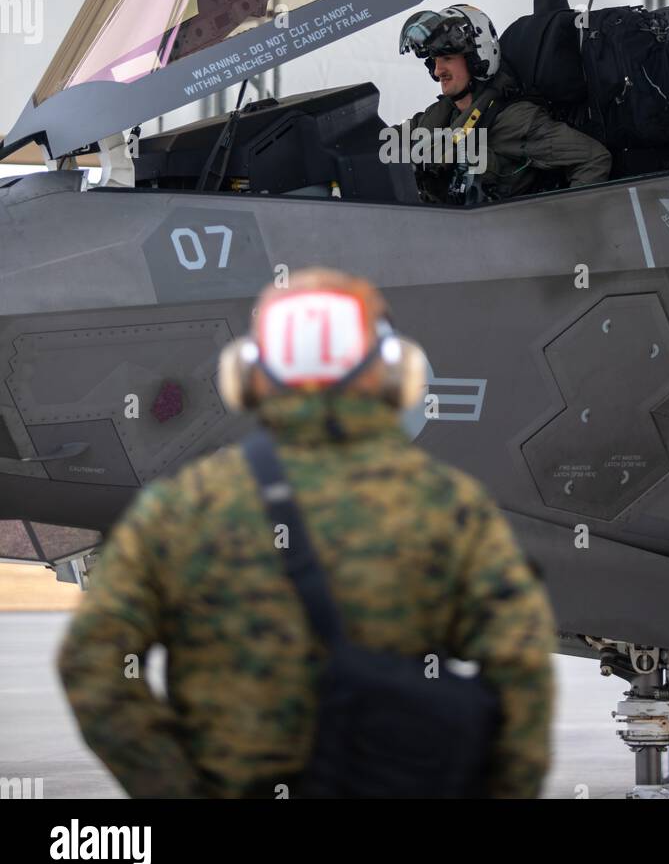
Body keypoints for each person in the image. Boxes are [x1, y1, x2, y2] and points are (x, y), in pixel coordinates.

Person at [58, 268, 556, 799]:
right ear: (392, 375)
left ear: (249, 376)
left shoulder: (182, 506)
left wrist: (174, 788)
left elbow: (93, 663)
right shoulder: (450, 507)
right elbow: (519, 666)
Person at [397, 4, 611, 204]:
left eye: (447, 59)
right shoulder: (443, 114)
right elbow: (392, 139)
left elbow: (593, 158)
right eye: (434, 60)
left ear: (476, 59)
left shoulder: (515, 120)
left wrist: (567, 225)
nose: (437, 70)